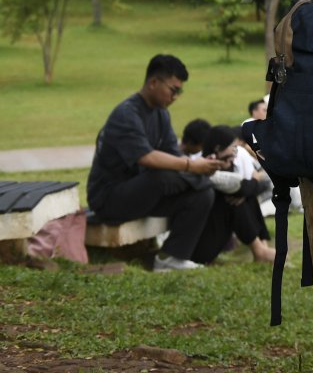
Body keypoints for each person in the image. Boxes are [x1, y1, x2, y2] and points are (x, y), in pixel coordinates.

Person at [86, 55, 224, 272]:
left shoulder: (161, 115)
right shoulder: (126, 114)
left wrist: (201, 167)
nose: (176, 96)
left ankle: (171, 257)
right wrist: (191, 167)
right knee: (161, 176)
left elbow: (173, 154)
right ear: (153, 83)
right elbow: (147, 158)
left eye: (180, 92)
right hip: (109, 199)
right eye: (173, 89)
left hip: (143, 193)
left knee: (203, 193)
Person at [188, 125, 275, 265]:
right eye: (233, 147)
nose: (236, 152)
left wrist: (247, 188)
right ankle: (260, 251)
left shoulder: (223, 163)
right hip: (196, 248)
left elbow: (249, 187)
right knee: (233, 199)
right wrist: (249, 186)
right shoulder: (206, 167)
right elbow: (243, 187)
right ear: (217, 148)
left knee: (244, 196)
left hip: (210, 238)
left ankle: (261, 248)